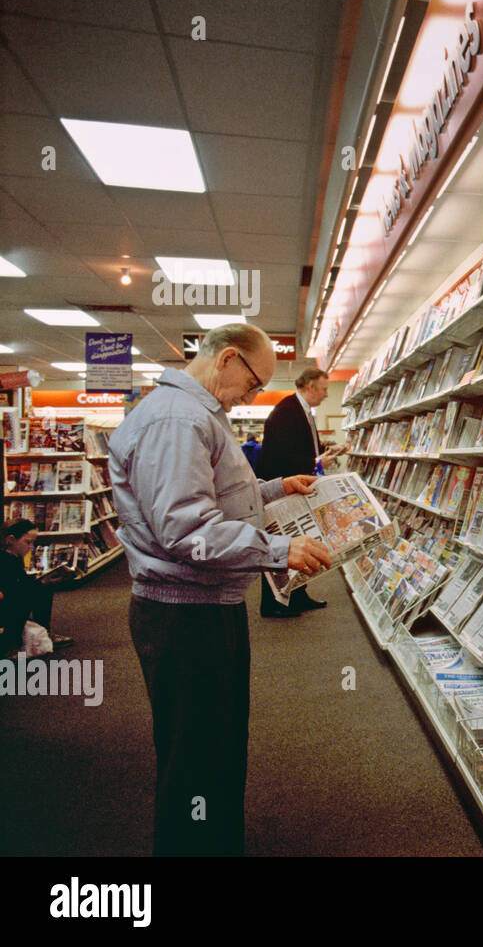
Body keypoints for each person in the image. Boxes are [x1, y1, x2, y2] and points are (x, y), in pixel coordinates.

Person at [108, 323, 332, 856]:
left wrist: (275, 488)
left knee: (215, 743)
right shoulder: (177, 420)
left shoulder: (194, 416)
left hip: (205, 609)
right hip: (185, 616)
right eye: (254, 385)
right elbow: (185, 529)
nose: (250, 399)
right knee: (197, 754)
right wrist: (279, 550)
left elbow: (213, 492)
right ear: (228, 359)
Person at [256, 368, 336, 618]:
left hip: (295, 486)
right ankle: (274, 603)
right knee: (280, 545)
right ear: (310, 386)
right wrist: (315, 461)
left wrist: (323, 454)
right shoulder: (286, 411)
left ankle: (297, 596)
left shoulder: (301, 411)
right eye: (323, 389)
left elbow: (300, 445)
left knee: (300, 542)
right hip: (281, 489)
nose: (325, 395)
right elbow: (280, 455)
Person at [0, 519, 73, 654]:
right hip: (6, 608)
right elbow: (10, 589)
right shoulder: (5, 560)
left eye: (33, 542)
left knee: (41, 588)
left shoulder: (14, 557)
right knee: (37, 591)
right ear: (11, 539)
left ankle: (43, 631)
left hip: (9, 602)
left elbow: (17, 584)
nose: (31, 547)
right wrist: (38, 584)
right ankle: (12, 643)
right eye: (27, 542)